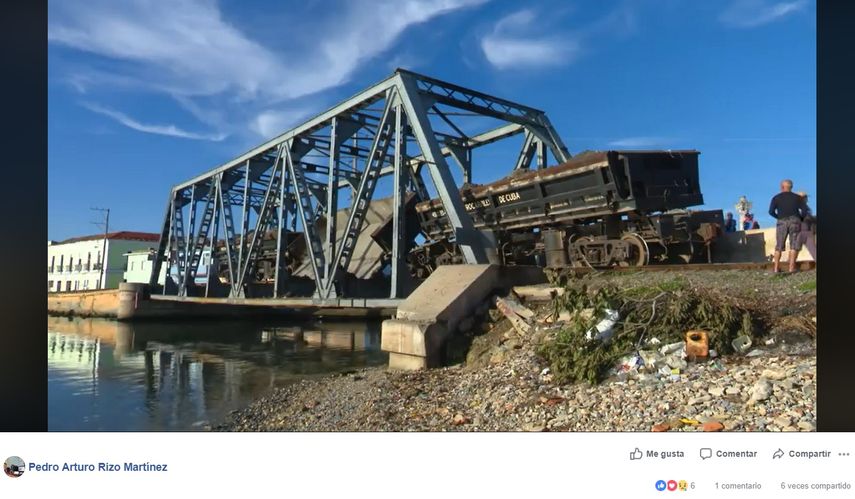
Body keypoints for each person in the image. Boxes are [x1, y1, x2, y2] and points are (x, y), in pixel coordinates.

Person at [768, 179, 807, 273]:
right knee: (794, 245)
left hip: (782, 221)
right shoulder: (798, 198)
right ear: (791, 187)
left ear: (782, 187)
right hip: (795, 220)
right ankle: (791, 268)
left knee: (779, 246)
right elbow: (804, 211)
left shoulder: (776, 198)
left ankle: (776, 268)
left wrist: (779, 217)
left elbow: (770, 212)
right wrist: (800, 219)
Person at [797, 191, 816, 261]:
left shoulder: (806, 207)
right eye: (805, 197)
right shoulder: (798, 208)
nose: (807, 199)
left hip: (808, 231)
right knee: (794, 250)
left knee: (813, 250)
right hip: (800, 231)